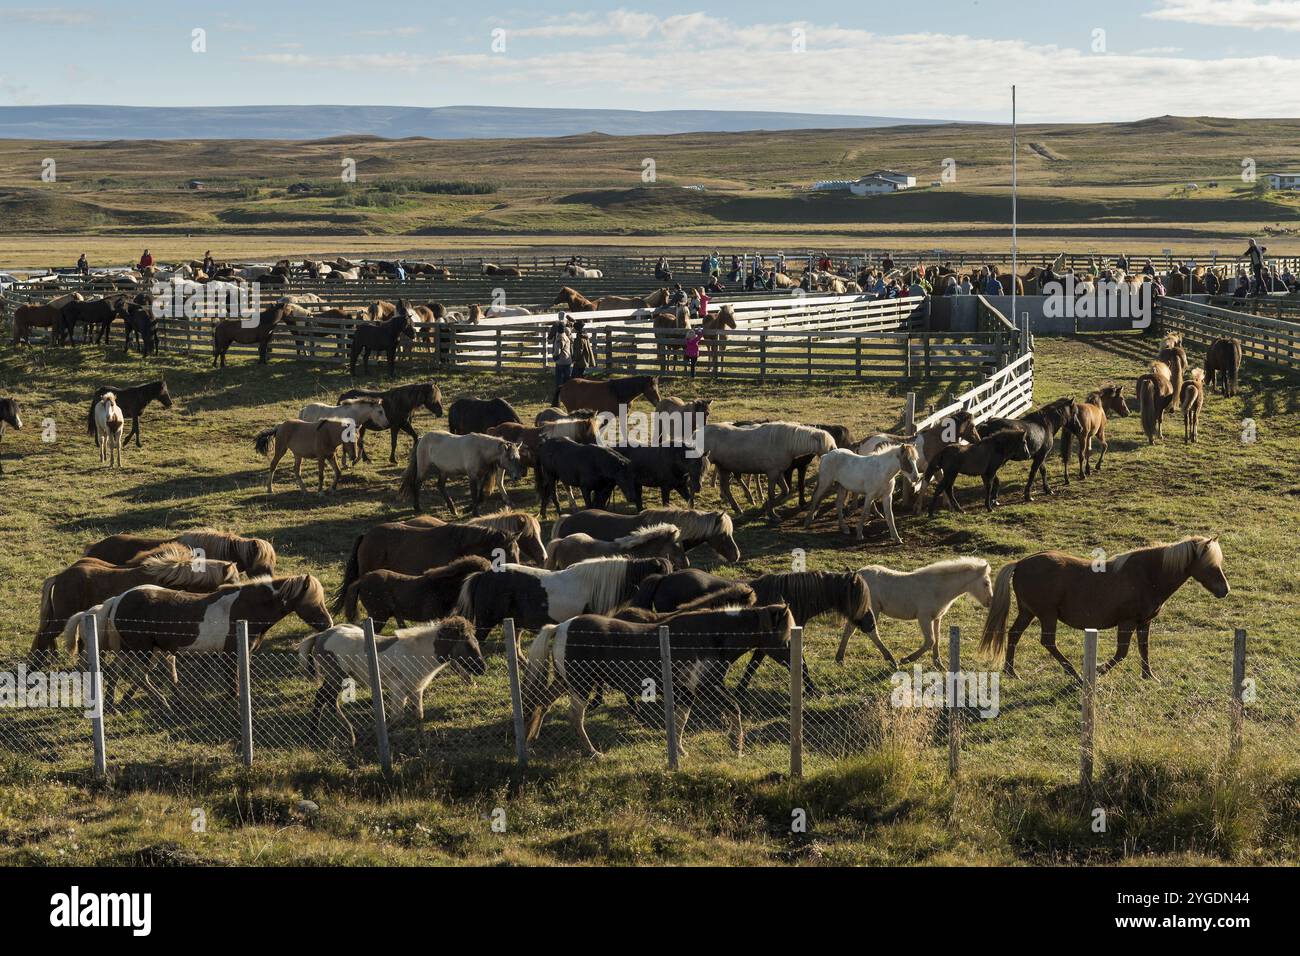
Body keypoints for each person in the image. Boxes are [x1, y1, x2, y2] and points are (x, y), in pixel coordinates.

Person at [550, 315, 575, 404]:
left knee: (559, 380)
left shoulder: (560, 338)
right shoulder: (566, 336)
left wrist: (555, 356)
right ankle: (569, 393)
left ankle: (559, 396)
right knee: (567, 378)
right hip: (567, 360)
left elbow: (557, 350)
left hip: (561, 361)